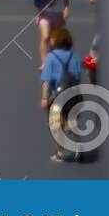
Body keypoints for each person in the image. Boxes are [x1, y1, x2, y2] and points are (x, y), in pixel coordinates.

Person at [40, 26, 85, 163]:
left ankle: (59, 152)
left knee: (55, 125)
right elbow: (78, 76)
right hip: (75, 95)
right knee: (72, 119)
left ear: (56, 40)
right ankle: (78, 144)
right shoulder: (74, 56)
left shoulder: (51, 57)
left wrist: (44, 98)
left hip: (58, 96)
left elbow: (46, 80)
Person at [32, 0, 71, 64]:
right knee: (45, 37)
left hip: (58, 13)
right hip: (44, 13)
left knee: (54, 41)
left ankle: (53, 59)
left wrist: (66, 8)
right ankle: (44, 63)